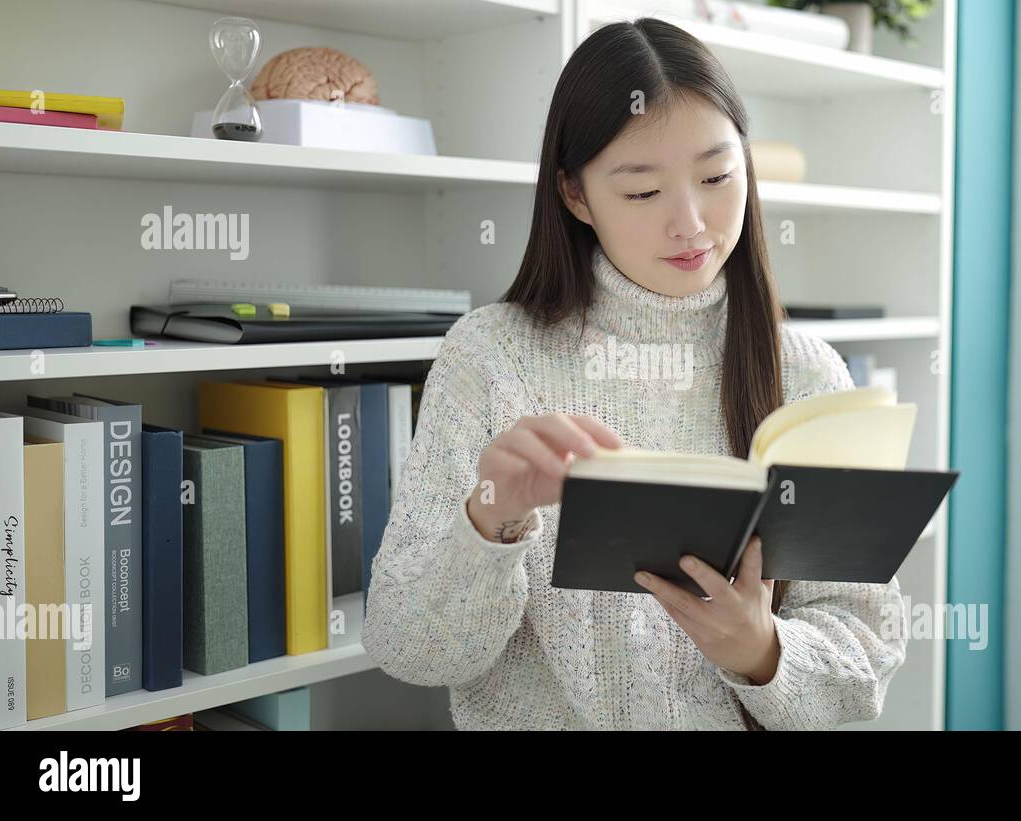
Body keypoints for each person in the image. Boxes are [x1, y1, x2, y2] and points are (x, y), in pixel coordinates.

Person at [361, 17, 907, 731]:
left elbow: (862, 677)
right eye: (644, 193)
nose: (691, 223)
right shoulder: (490, 357)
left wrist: (761, 649)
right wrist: (490, 520)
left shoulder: (806, 372)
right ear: (576, 195)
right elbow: (409, 649)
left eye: (716, 177)